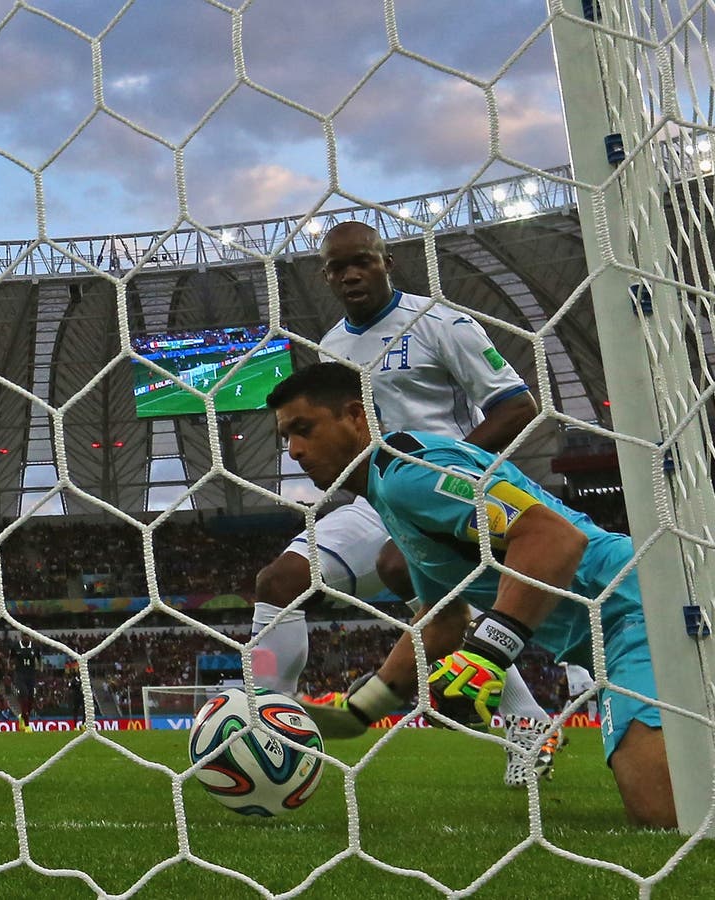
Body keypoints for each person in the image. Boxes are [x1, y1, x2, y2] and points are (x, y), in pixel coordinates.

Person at [267, 361, 675, 828]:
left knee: (662, 811)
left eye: (304, 430)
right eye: (286, 440)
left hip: (632, 608)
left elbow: (555, 538)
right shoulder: (389, 490)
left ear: (355, 416)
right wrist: (364, 709)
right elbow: (444, 621)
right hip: (619, 622)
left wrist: (489, 655)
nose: (295, 451)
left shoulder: (408, 476)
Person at [251, 220, 556, 785]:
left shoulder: (440, 322)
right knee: (279, 582)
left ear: (386, 262)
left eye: (362, 261)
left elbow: (517, 407)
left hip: (446, 493)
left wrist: (445, 471)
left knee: (402, 569)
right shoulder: (332, 347)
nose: (351, 274)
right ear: (326, 276)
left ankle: (524, 717)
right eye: (338, 267)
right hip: (379, 498)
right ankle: (265, 735)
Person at [11, 634, 41, 731]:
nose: (26, 637)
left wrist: (40, 669)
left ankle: (22, 717)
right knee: (24, 695)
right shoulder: (15, 646)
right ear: (21, 636)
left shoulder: (35, 647)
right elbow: (11, 659)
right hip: (20, 675)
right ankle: (27, 725)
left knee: (31, 699)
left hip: (31, 676)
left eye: (28, 636)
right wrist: (12, 668)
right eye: (24, 636)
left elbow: (39, 659)